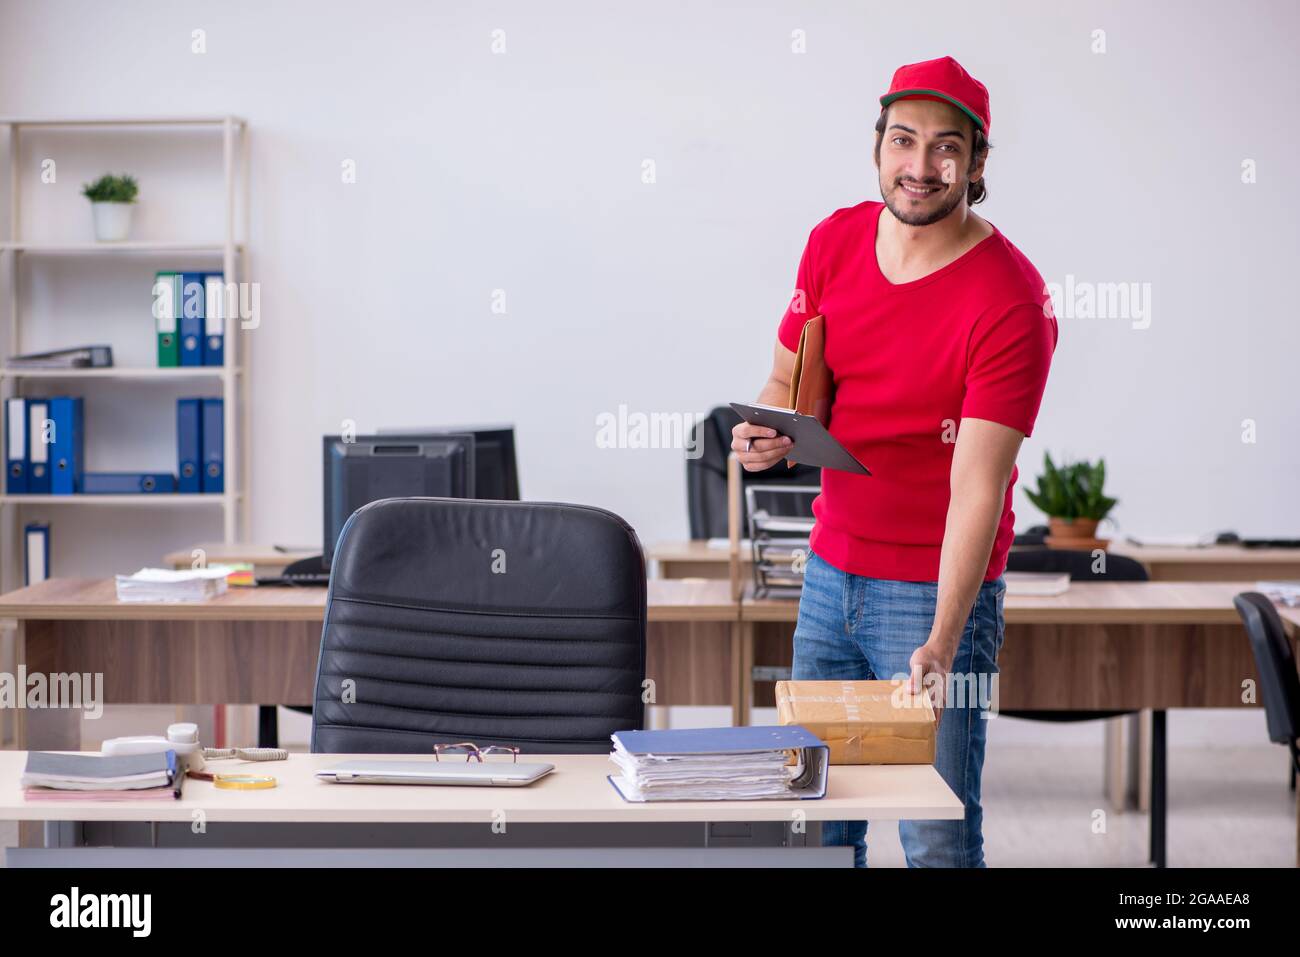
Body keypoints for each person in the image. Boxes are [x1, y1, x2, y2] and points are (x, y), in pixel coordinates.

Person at [733, 56, 1058, 867]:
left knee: (937, 837)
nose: (920, 166)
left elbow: (977, 487)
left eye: (946, 147)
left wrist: (945, 640)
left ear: (978, 163)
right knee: (816, 826)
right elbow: (787, 379)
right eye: (903, 140)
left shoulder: (1011, 299)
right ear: (878, 145)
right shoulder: (833, 243)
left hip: (932, 597)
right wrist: (765, 435)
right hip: (828, 578)